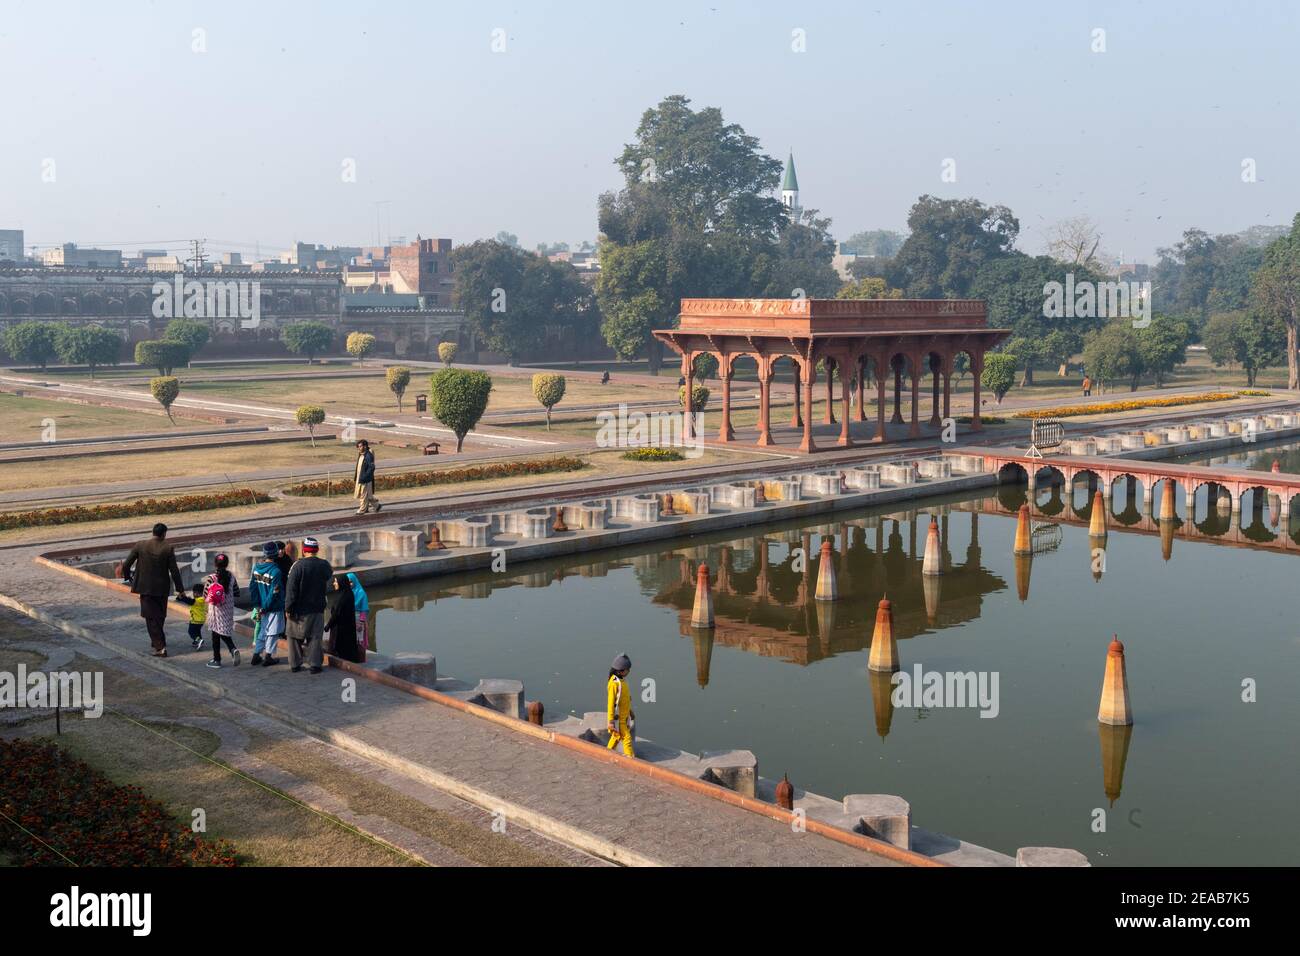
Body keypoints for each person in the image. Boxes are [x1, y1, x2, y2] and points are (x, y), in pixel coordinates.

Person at [122, 523, 186, 657]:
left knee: (151, 617)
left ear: (153, 533)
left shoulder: (140, 545)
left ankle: (160, 647)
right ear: (164, 534)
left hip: (145, 587)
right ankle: (157, 641)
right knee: (160, 615)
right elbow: (174, 571)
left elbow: (126, 564)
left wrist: (129, 578)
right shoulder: (168, 548)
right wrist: (180, 589)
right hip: (162, 588)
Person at [285, 536, 334, 674]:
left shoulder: (297, 566)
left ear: (303, 550)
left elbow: (291, 589)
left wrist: (288, 607)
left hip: (298, 609)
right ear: (316, 550)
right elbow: (329, 575)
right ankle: (315, 665)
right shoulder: (324, 565)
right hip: (317, 608)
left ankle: (295, 664)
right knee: (315, 637)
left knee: (293, 637)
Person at [202, 553, 241, 668]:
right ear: (227, 564)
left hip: (216, 611)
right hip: (228, 610)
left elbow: (205, 596)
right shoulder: (232, 577)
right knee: (221, 632)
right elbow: (237, 592)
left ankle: (223, 655)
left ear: (215, 564)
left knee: (216, 633)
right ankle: (218, 657)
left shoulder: (211, 578)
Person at [250, 541, 285, 666]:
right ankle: (268, 656)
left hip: (261, 606)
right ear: (275, 554)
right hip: (273, 607)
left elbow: (252, 589)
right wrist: (265, 607)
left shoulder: (256, 568)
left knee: (262, 631)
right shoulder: (276, 571)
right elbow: (274, 593)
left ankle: (256, 654)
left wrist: (257, 606)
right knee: (273, 632)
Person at [325, 574, 363, 664]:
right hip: (347, 627)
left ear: (341, 583)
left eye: (335, 582)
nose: (334, 583)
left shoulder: (343, 597)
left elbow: (336, 613)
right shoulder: (347, 593)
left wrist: (328, 626)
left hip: (341, 629)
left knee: (342, 649)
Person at [605, 653, 635, 758]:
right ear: (621, 670)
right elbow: (611, 703)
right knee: (627, 739)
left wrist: (630, 712)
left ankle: (606, 754)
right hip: (619, 719)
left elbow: (624, 701)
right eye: (628, 669)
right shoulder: (614, 683)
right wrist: (610, 721)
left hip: (624, 717)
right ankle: (631, 760)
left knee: (616, 736)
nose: (629, 671)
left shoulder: (621, 681)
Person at [175, 583, 207, 651]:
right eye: (194, 593)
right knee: (197, 631)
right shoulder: (201, 599)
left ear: (200, 593)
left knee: (191, 632)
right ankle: (197, 641)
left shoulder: (200, 599)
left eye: (195, 593)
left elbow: (190, 602)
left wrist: (182, 598)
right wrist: (180, 598)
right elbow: (189, 601)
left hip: (196, 620)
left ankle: (198, 640)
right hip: (201, 620)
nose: (194, 594)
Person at [354, 440, 382, 515]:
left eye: (360, 446)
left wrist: (365, 476)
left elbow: (372, 467)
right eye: (358, 446)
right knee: (368, 495)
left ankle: (363, 509)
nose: (359, 448)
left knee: (363, 495)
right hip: (361, 478)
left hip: (365, 479)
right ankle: (377, 506)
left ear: (365, 446)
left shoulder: (368, 455)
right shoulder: (361, 454)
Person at [346, 572, 370, 660]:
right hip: (349, 618)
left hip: (358, 618)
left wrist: (361, 622)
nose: (349, 584)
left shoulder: (361, 593)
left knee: (359, 640)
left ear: (355, 581)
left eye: (351, 582)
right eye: (348, 582)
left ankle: (360, 658)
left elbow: (364, 609)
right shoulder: (347, 593)